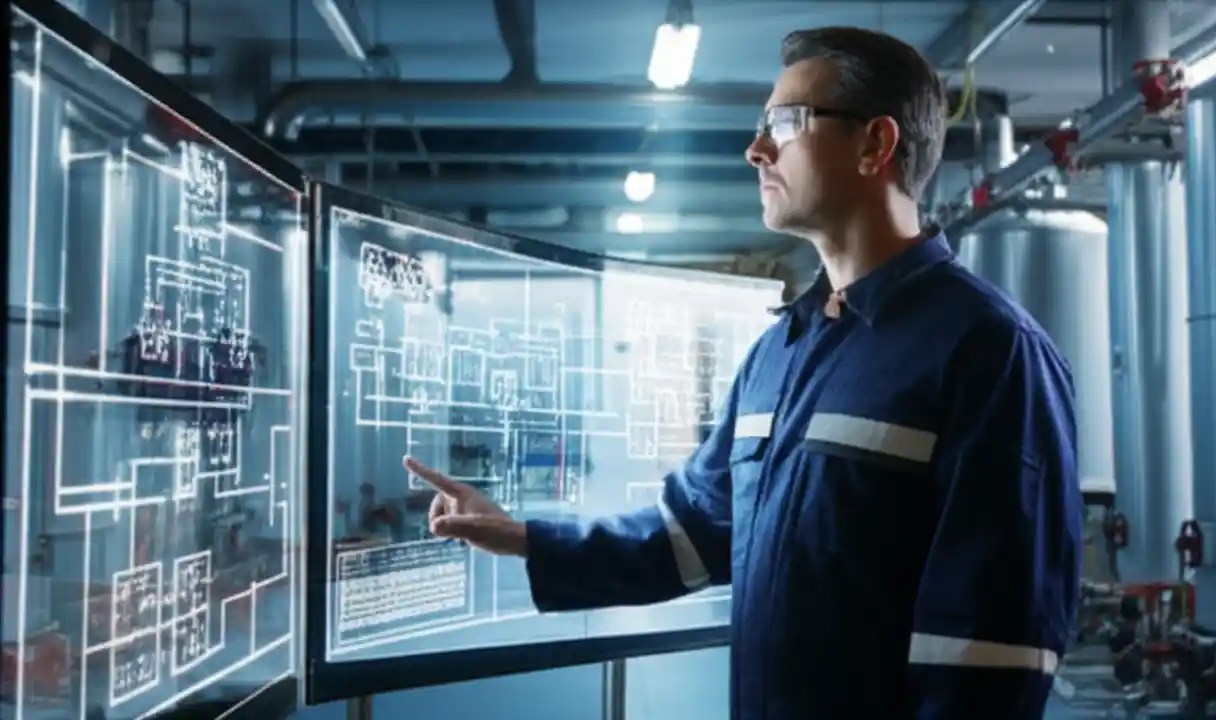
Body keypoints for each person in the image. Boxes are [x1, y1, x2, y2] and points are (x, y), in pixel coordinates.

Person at [404, 25, 1082, 720]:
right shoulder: (778, 352)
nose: (755, 150)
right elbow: (693, 533)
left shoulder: (989, 351)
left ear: (875, 145)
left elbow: (994, 649)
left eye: (787, 123)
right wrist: (524, 537)